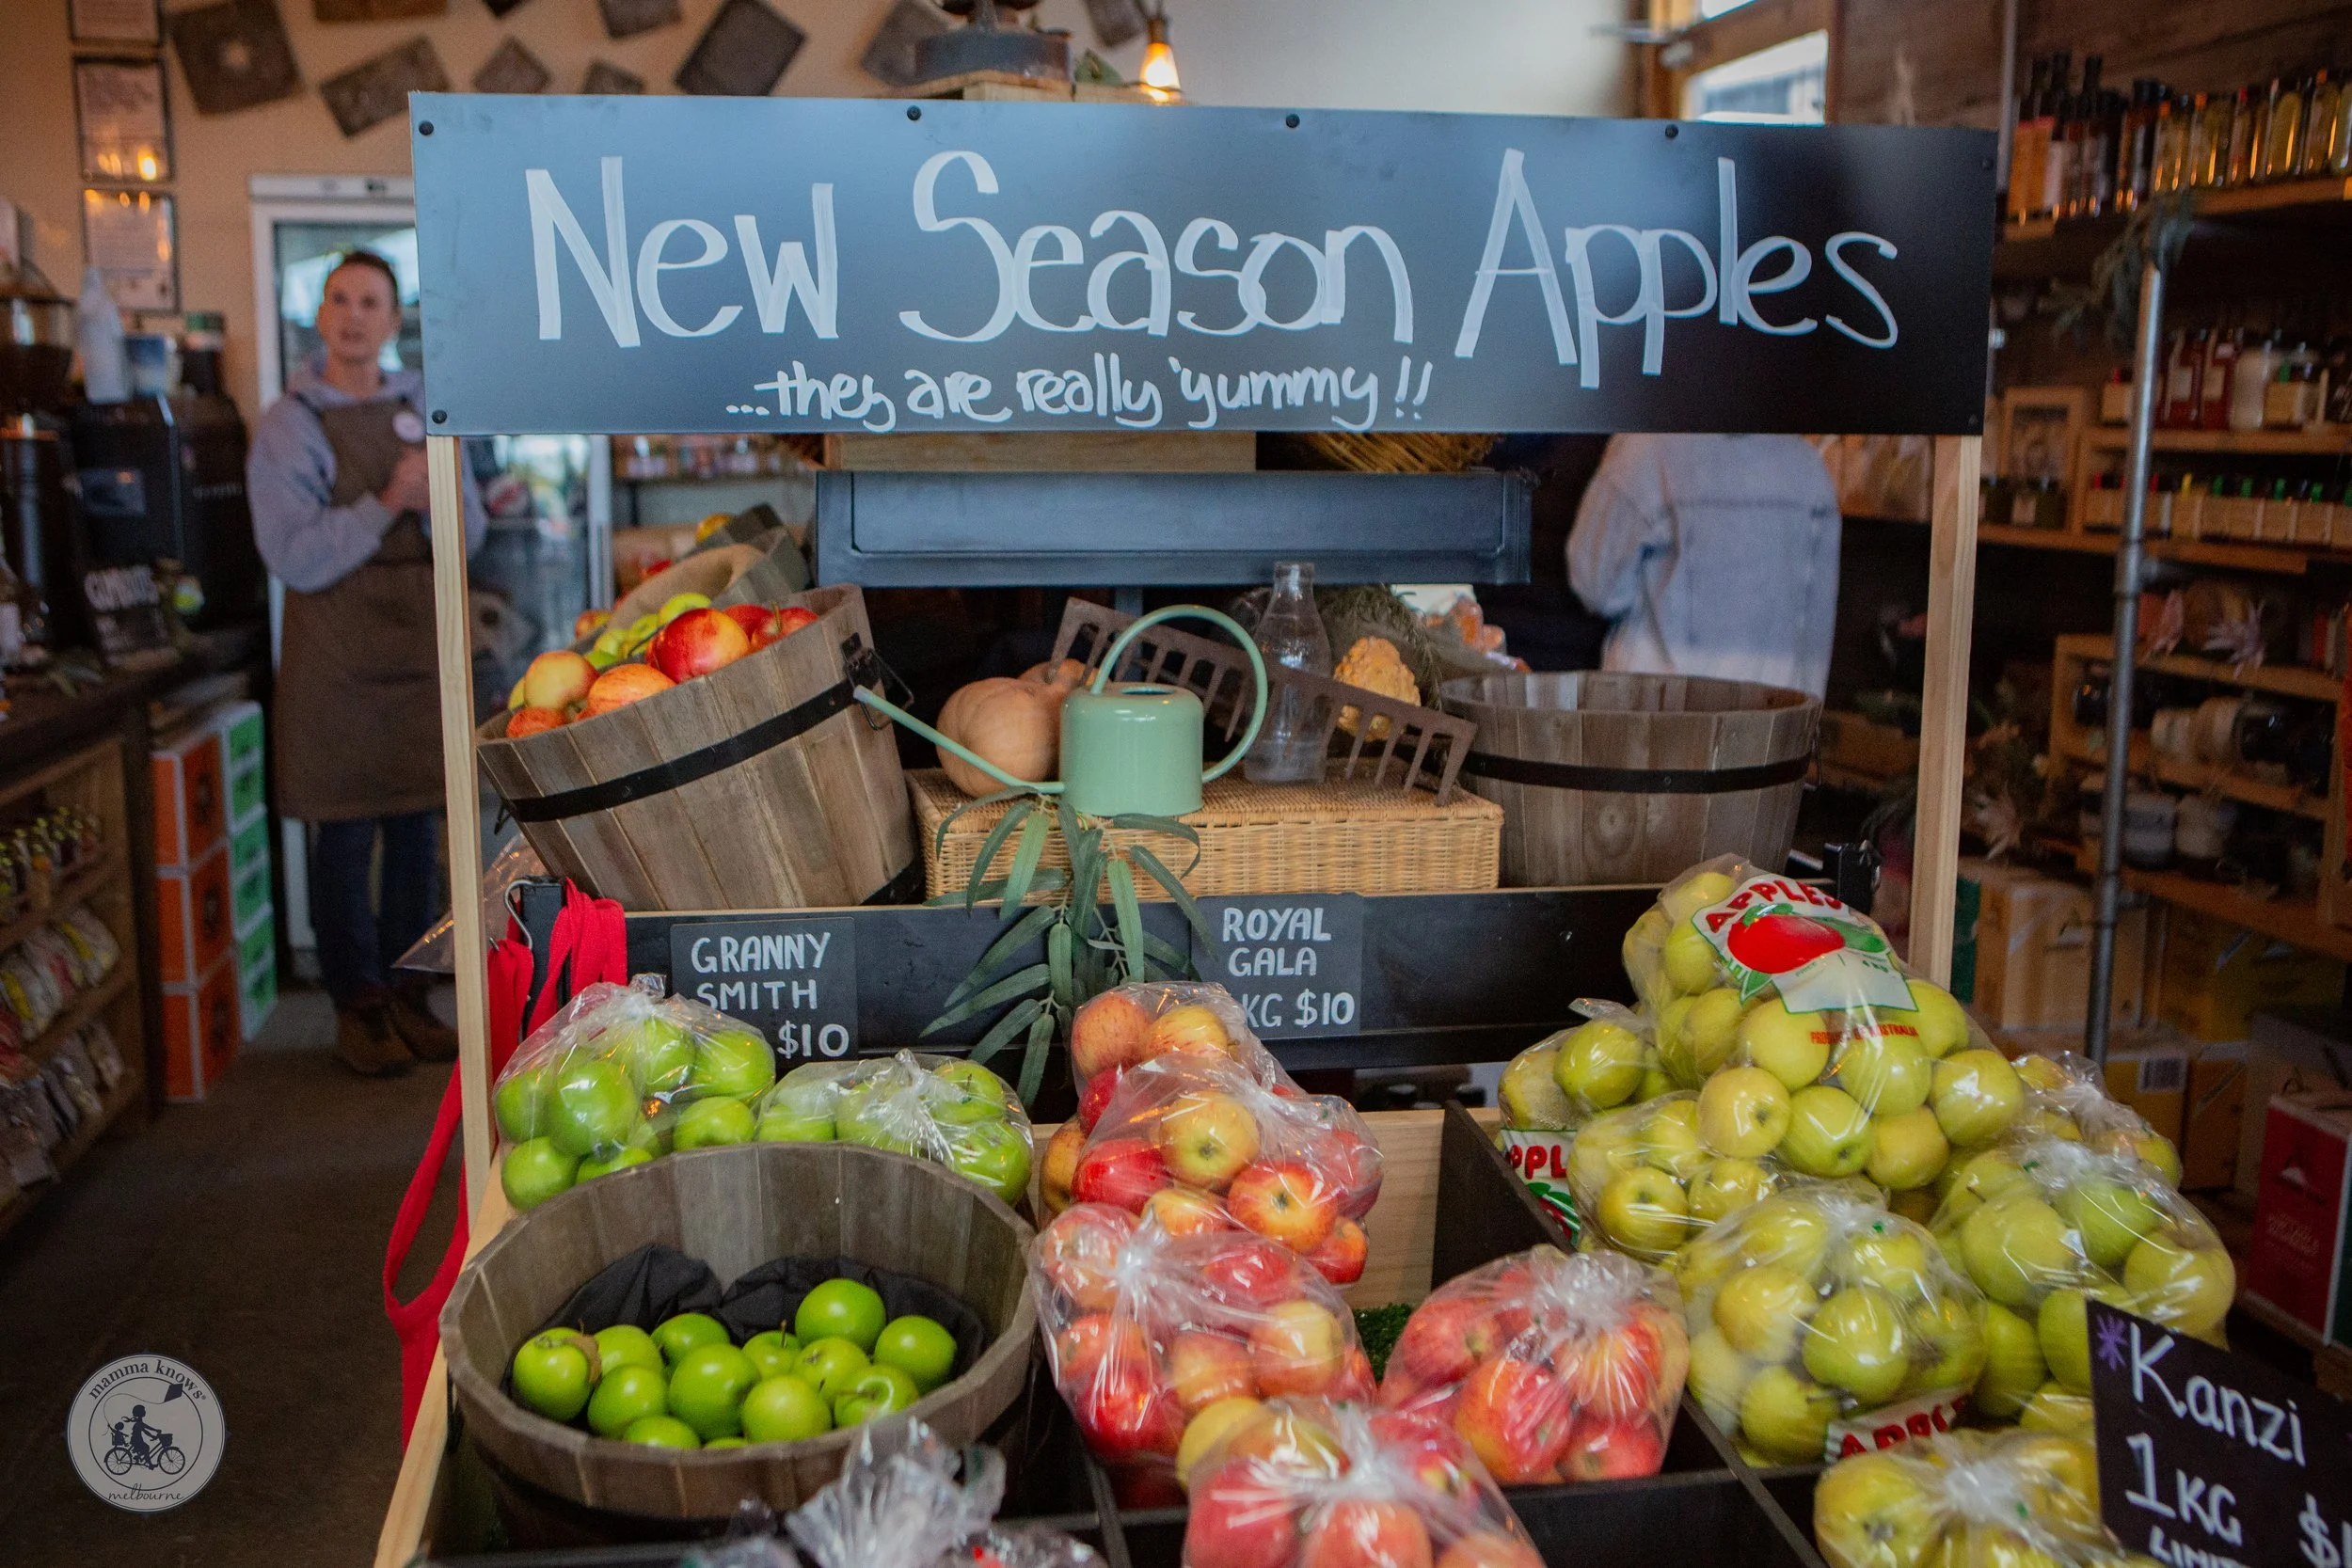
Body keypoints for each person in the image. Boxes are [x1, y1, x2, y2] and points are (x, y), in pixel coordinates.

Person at [247, 251, 485, 1076]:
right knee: (343, 833)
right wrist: (386, 501)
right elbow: (296, 555)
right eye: (339, 299)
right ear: (320, 315)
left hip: (419, 647)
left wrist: (438, 508)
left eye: (371, 302)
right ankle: (358, 1005)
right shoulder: (289, 423)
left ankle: (413, 994)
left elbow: (473, 535)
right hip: (335, 655)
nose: (353, 315)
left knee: (419, 829)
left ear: (393, 320)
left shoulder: (426, 402)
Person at [1565, 434, 1841, 699]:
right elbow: (1817, 623)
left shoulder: (1648, 449)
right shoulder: (1808, 468)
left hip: (1657, 718)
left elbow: (1594, 584)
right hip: (1772, 722)